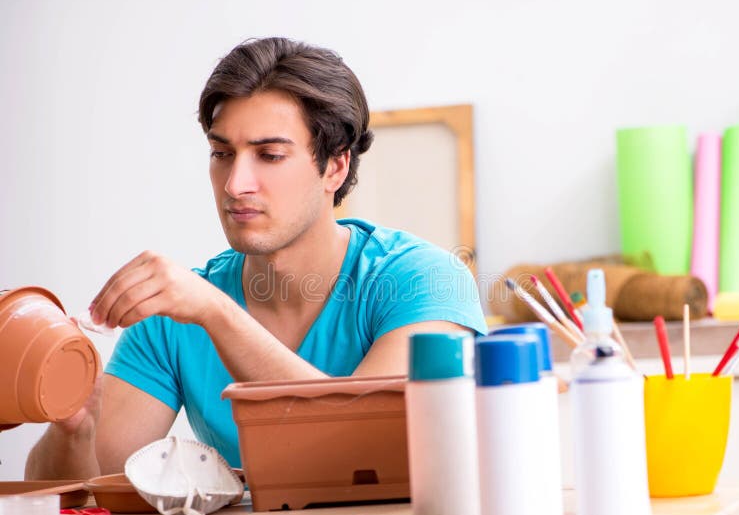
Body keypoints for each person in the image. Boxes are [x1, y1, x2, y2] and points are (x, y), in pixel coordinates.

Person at [25, 37, 486, 479]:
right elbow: (79, 496)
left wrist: (217, 313)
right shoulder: (174, 317)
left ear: (335, 166)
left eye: (269, 155)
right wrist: (74, 431)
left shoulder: (424, 280)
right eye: (221, 153)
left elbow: (361, 450)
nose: (235, 183)